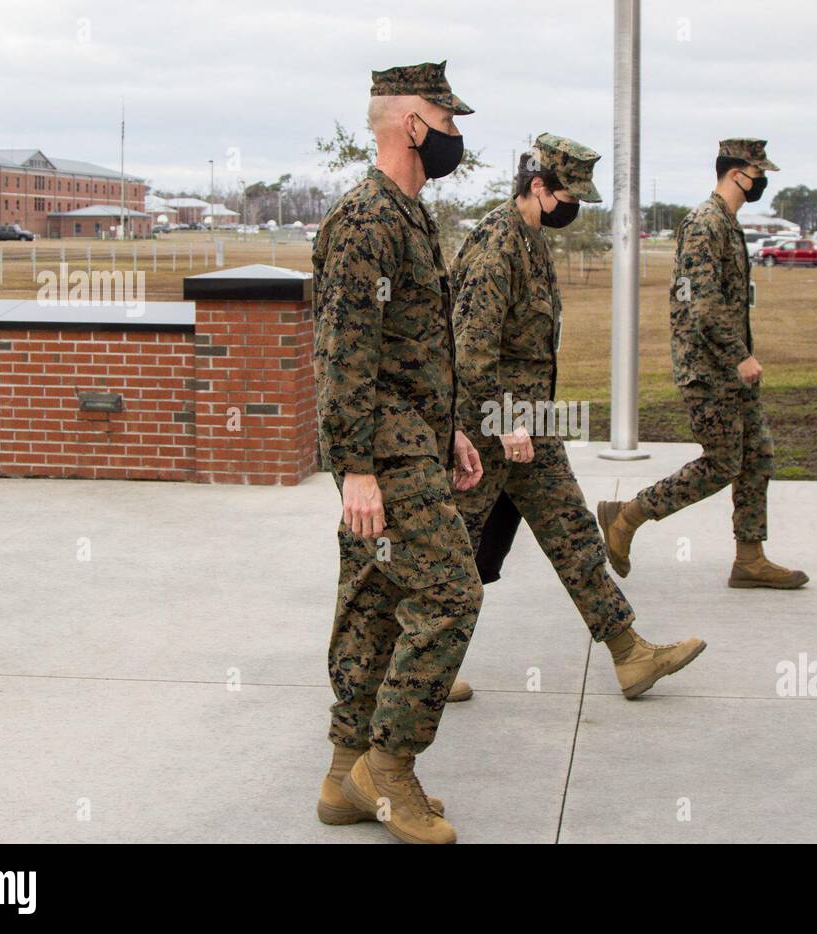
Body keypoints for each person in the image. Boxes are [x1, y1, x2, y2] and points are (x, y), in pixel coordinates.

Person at [449, 133, 705, 701]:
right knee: (448, 559)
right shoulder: (497, 245)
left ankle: (630, 653)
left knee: (573, 533)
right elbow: (470, 351)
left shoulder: (531, 240)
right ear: (537, 187)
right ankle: (410, 676)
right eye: (568, 195)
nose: (573, 208)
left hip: (531, 427)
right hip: (489, 431)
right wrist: (506, 421)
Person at [312, 60, 483, 845]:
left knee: (375, 601)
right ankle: (389, 765)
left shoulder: (411, 216)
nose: (456, 138)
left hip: (413, 439)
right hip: (382, 451)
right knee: (451, 594)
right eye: (448, 124)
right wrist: (355, 469)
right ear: (413, 124)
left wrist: (448, 426)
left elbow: (407, 347)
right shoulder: (364, 220)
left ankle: (344, 774)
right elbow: (345, 353)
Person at [599, 139, 809, 590]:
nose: (762, 182)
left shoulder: (727, 223)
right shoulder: (704, 223)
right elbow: (703, 305)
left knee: (758, 456)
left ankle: (750, 558)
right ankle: (627, 516)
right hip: (709, 369)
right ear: (737, 173)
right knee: (721, 463)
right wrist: (740, 355)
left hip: (730, 370)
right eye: (758, 173)